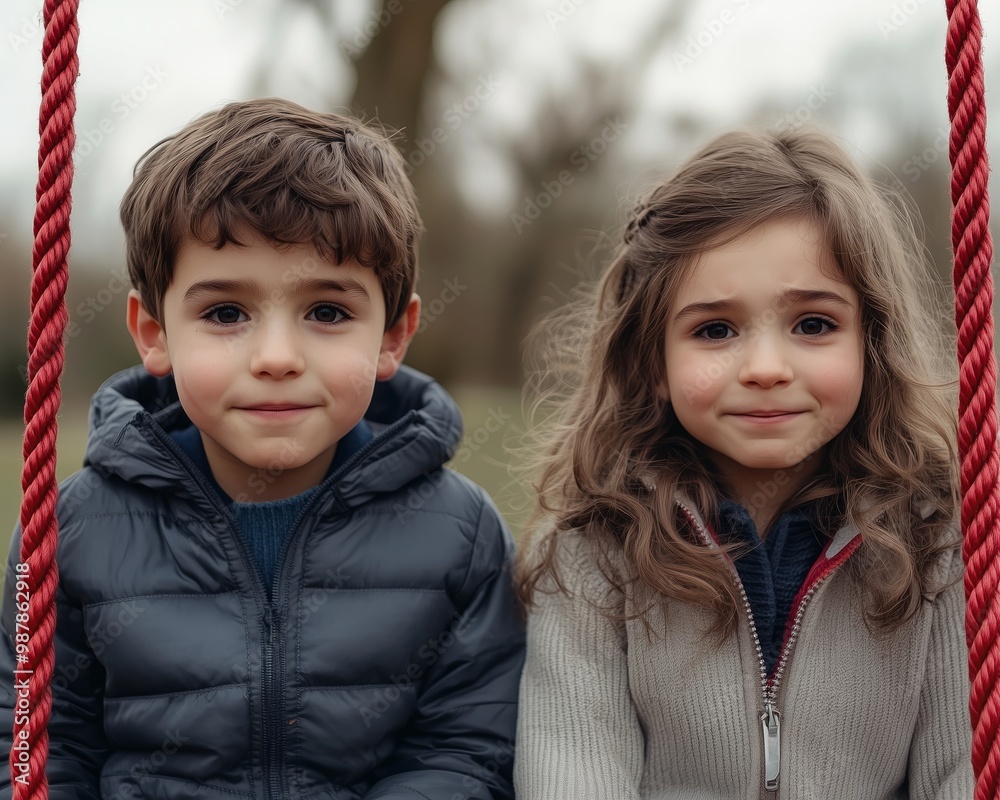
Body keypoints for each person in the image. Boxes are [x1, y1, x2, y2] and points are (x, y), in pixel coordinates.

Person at [0, 98, 524, 799]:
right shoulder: (72, 533)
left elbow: (467, 751)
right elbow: (42, 747)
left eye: (328, 313)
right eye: (225, 314)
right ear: (153, 332)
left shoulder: (461, 535)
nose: (276, 357)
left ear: (394, 335)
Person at [513, 128, 971, 798]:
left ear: (873, 343)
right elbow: (572, 772)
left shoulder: (942, 546)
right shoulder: (591, 556)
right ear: (652, 362)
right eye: (715, 330)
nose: (763, 369)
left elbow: (963, 770)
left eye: (813, 324)